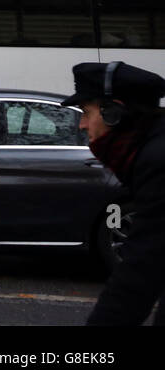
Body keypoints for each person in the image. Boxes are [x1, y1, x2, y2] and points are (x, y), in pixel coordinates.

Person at [62, 61, 165, 326]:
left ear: (113, 113)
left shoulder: (157, 160)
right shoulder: (150, 146)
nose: (82, 125)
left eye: (86, 112)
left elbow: (141, 270)